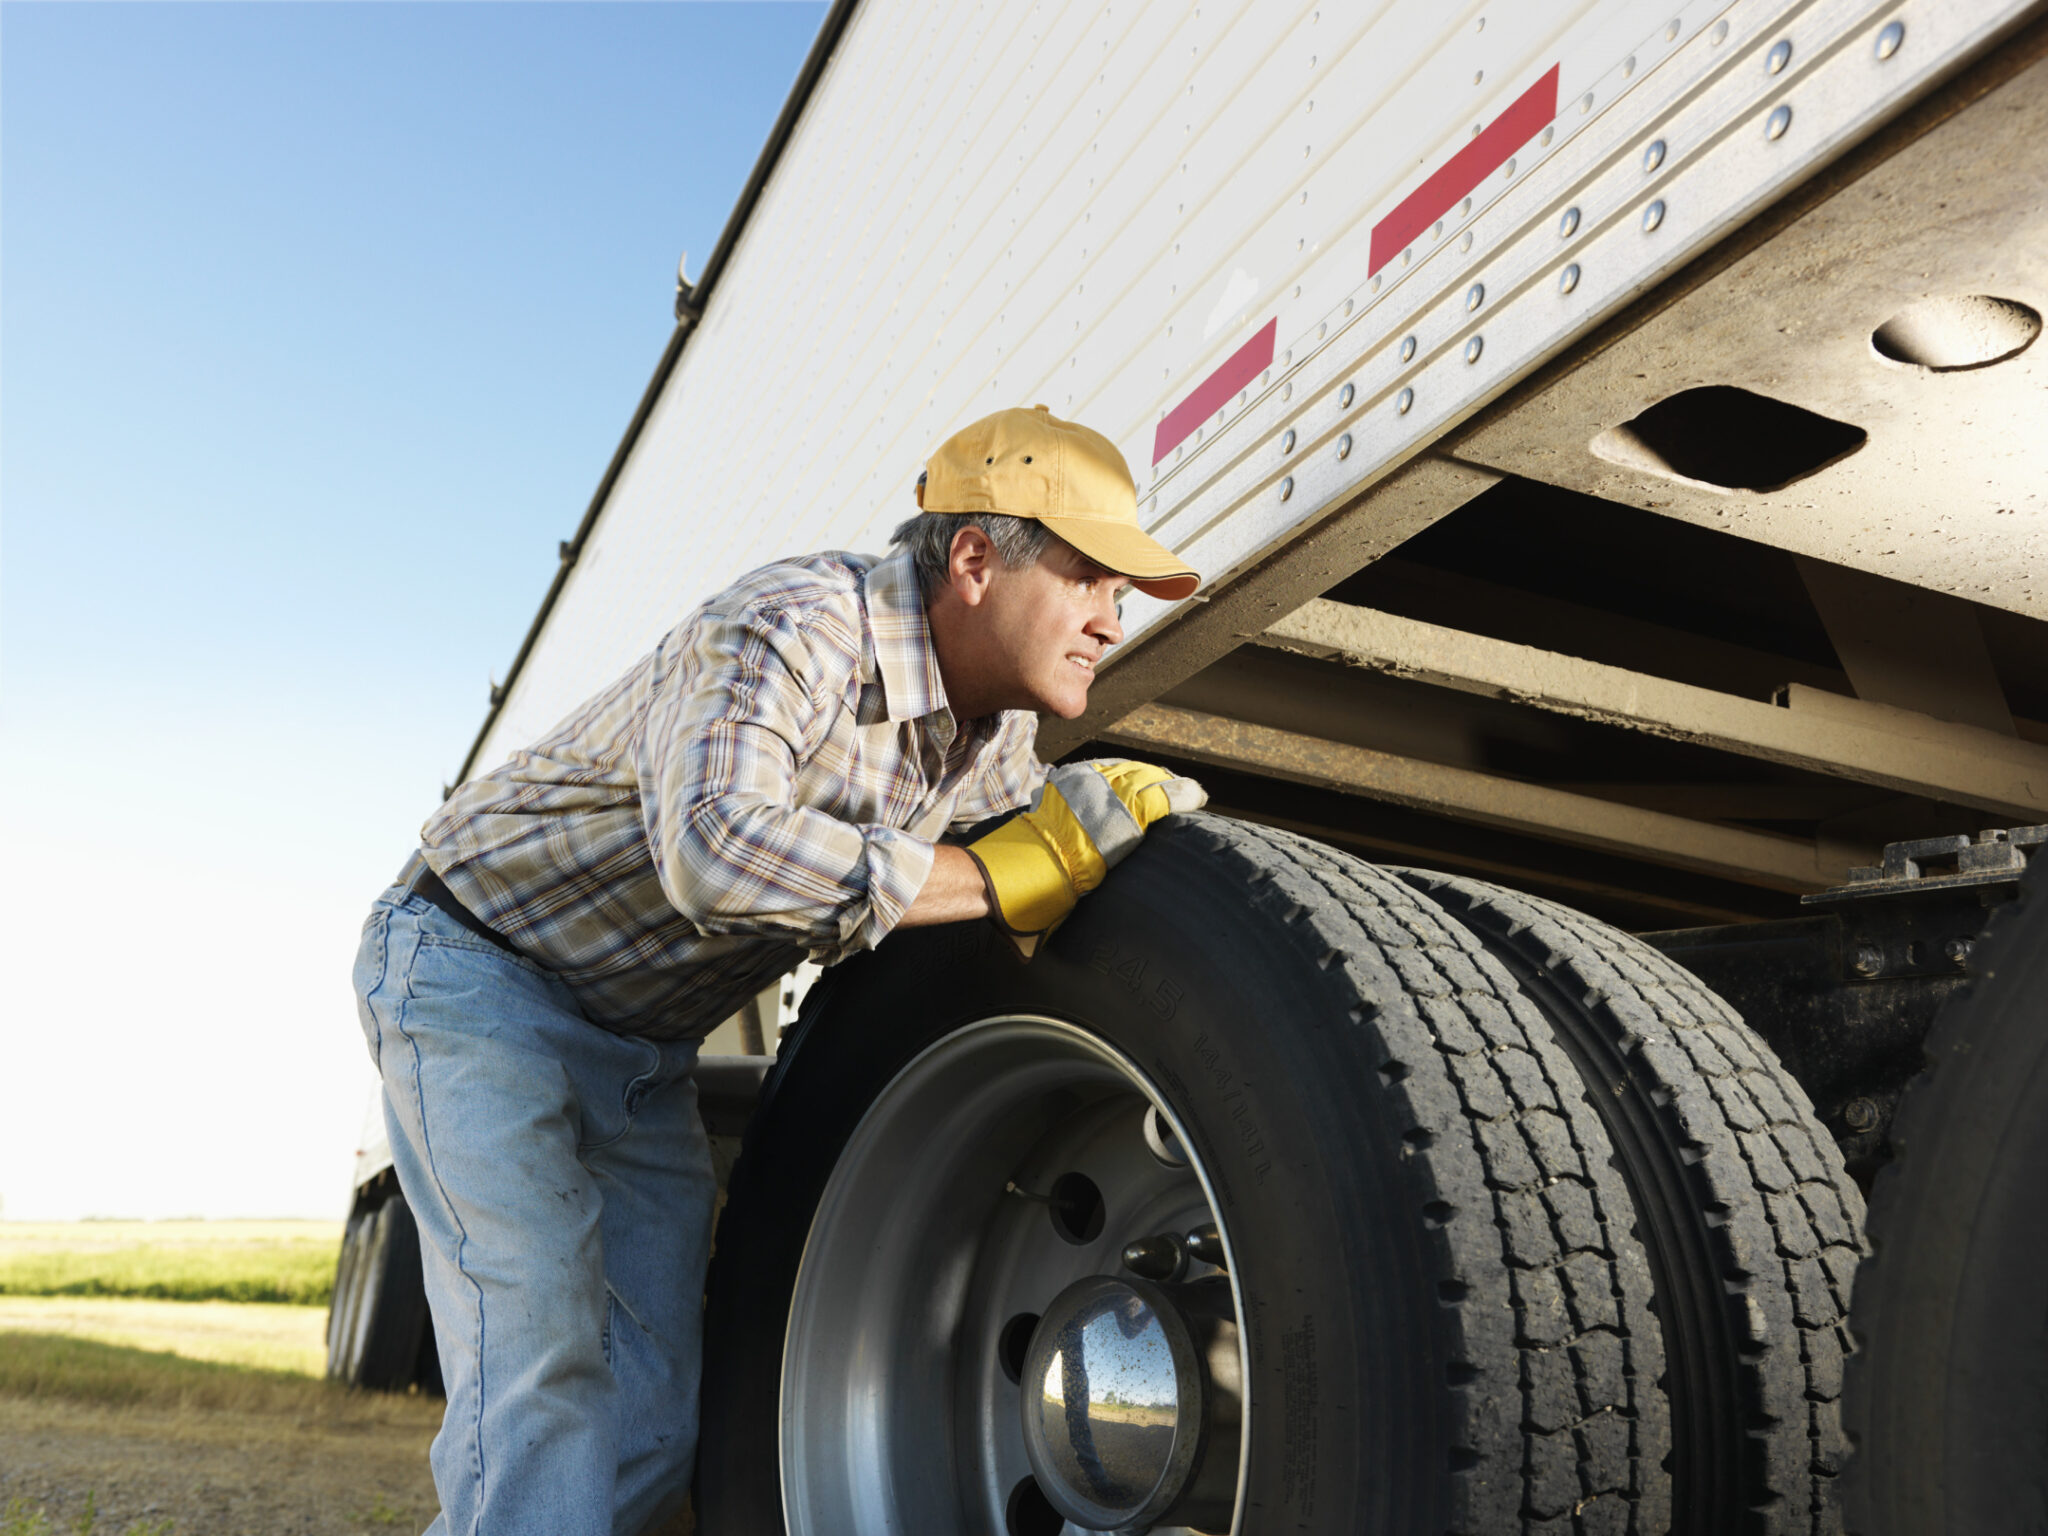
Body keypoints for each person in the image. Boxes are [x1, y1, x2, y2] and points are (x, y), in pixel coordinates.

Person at [350, 404, 1206, 1535]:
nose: (1110, 620)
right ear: (970, 561)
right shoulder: (795, 625)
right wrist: (1007, 870)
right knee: (543, 1359)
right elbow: (713, 850)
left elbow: (995, 904)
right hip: (474, 972)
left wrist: (1106, 847)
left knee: (656, 1409)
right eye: (1091, 578)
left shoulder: (988, 741)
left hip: (639, 1045)